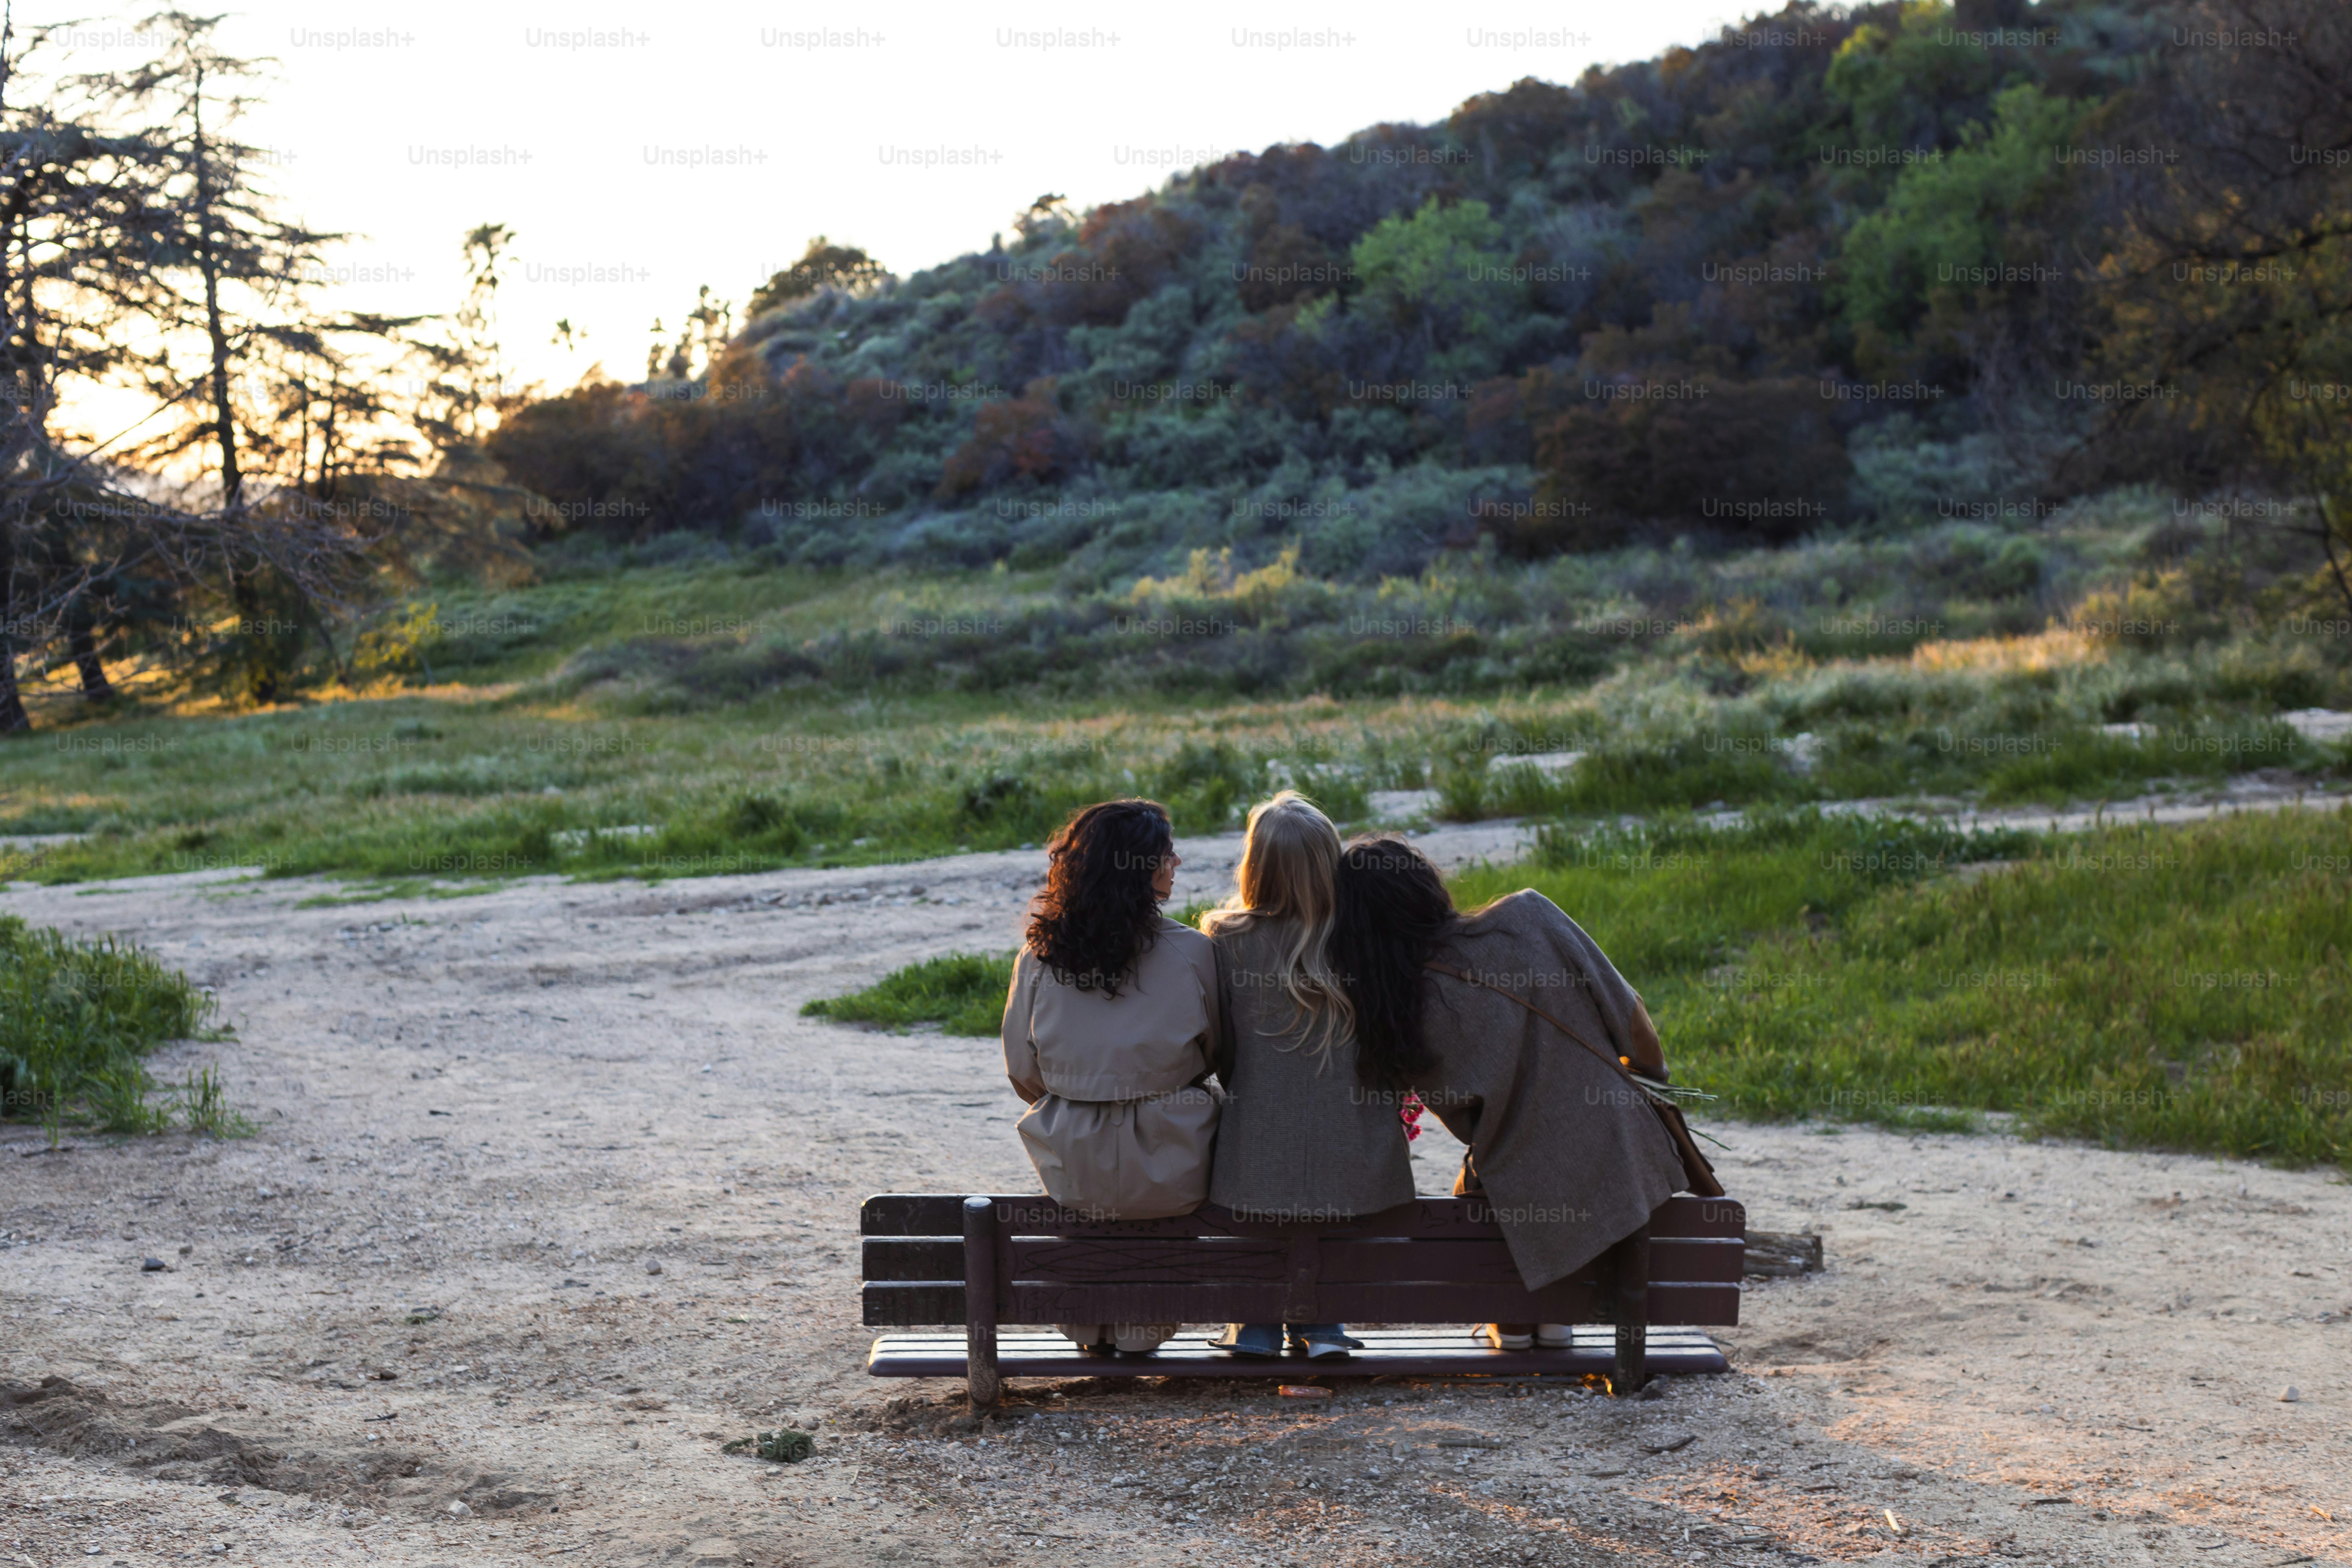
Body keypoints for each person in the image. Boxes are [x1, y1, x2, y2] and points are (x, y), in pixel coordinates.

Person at [1328, 835, 1717, 1351]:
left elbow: (1464, 1116)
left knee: (1483, 1186)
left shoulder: (1394, 1009)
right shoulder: (1530, 914)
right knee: (1542, 1175)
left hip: (1521, 1177)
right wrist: (1649, 1078)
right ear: (1427, 885)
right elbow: (1632, 1018)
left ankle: (1514, 1323)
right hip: (1624, 1154)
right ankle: (1556, 1320)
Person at [1002, 798, 1225, 1356]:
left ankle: (1090, 1323)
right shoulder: (1196, 953)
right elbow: (1220, 1052)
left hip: (1072, 1159)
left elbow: (1022, 1071)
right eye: (1165, 854)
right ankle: (1141, 1325)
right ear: (1142, 868)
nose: (1176, 861)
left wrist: (1085, 1094)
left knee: (1097, 1195)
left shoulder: (1038, 954)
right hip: (1173, 1158)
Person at [1201, 792, 1412, 1361]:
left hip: (1257, 1149)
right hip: (1356, 1152)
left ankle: (1256, 1326)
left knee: (1260, 1204)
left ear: (1255, 866)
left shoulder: (1225, 939)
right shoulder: (1366, 940)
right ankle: (1325, 1326)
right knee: (1333, 1207)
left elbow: (1218, 1048)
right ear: (1331, 863)